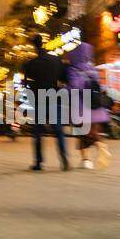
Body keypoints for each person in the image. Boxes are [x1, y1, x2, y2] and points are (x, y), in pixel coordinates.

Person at [22, 34, 69, 171]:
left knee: (38, 132)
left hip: (39, 100)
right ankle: (63, 159)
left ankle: (38, 162)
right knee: (58, 130)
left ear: (34, 46)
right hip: (54, 97)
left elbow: (27, 84)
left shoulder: (31, 64)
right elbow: (65, 79)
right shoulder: (56, 60)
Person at [64, 41, 111, 169]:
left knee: (82, 132)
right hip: (95, 107)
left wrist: (65, 89)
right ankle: (86, 161)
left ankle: (100, 148)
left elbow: (75, 86)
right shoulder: (92, 68)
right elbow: (99, 86)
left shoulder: (74, 68)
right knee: (91, 132)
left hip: (80, 106)